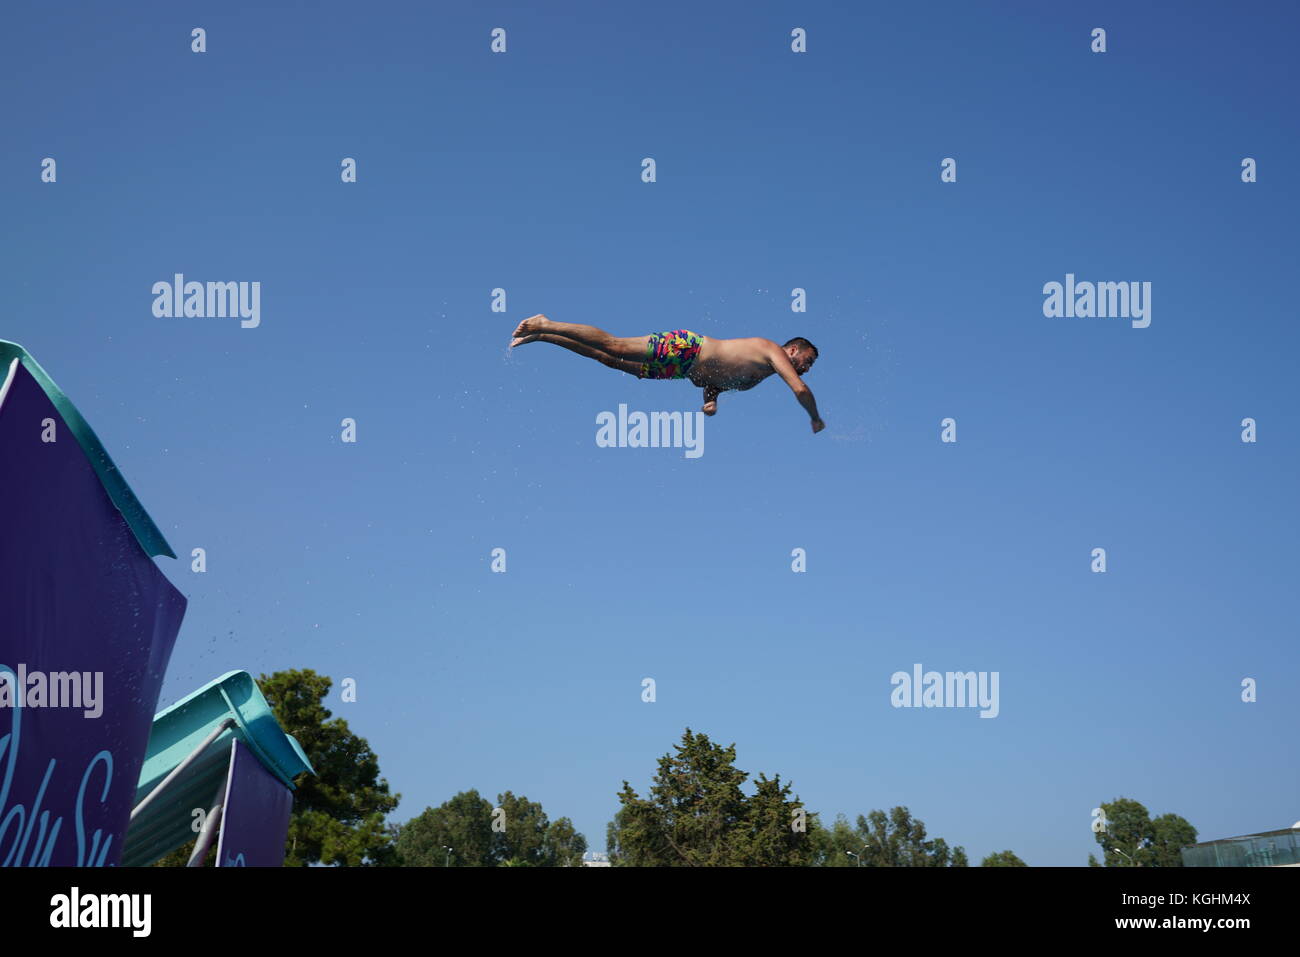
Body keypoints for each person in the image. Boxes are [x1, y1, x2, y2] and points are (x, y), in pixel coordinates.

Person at [510, 315, 825, 433]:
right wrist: (814, 417)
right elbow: (799, 390)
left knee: (608, 360)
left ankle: (544, 337)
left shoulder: (757, 376)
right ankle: (547, 323)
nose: (806, 369)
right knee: (615, 345)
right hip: (687, 348)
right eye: (807, 361)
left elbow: (714, 379)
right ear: (793, 350)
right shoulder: (770, 349)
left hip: (682, 368)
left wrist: (711, 400)